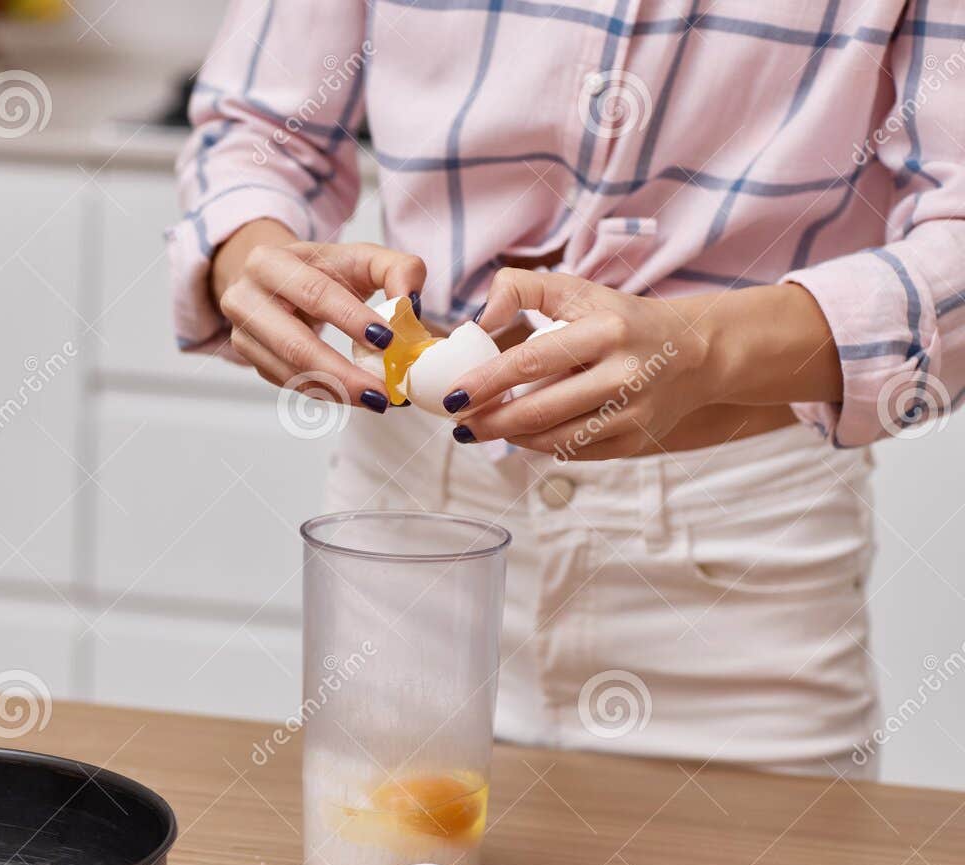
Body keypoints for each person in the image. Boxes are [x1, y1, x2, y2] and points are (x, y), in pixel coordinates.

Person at [168, 1, 965, 777]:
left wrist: (705, 348)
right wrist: (252, 255)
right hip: (411, 530)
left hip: (740, 566)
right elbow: (259, 133)